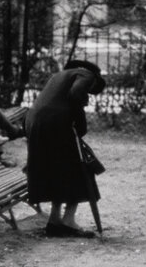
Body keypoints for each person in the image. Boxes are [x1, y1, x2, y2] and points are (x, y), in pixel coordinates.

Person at [24, 60, 106, 238]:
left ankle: (54, 221)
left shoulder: (60, 76)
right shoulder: (87, 75)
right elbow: (77, 94)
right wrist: (80, 123)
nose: (89, 95)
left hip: (35, 122)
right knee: (77, 168)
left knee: (57, 169)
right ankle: (68, 220)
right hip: (55, 124)